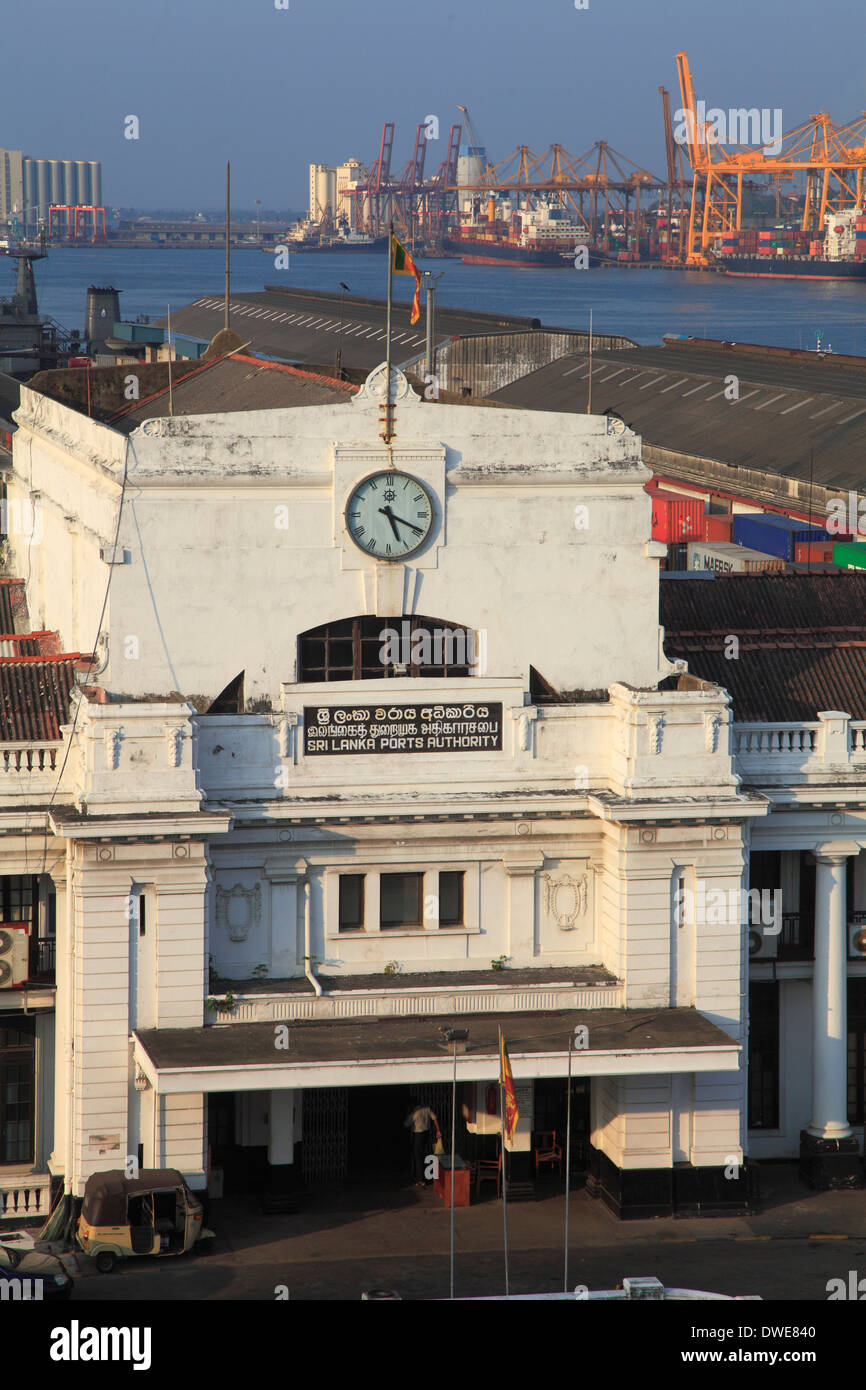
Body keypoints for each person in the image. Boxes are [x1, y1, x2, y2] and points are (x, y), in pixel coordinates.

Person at [404, 1098, 440, 1185]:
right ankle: (428, 1175)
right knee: (424, 1153)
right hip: (426, 1133)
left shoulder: (414, 1114)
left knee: (418, 1156)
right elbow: (434, 1118)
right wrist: (438, 1130)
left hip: (418, 1135)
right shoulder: (427, 1109)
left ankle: (420, 1179)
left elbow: (406, 1124)